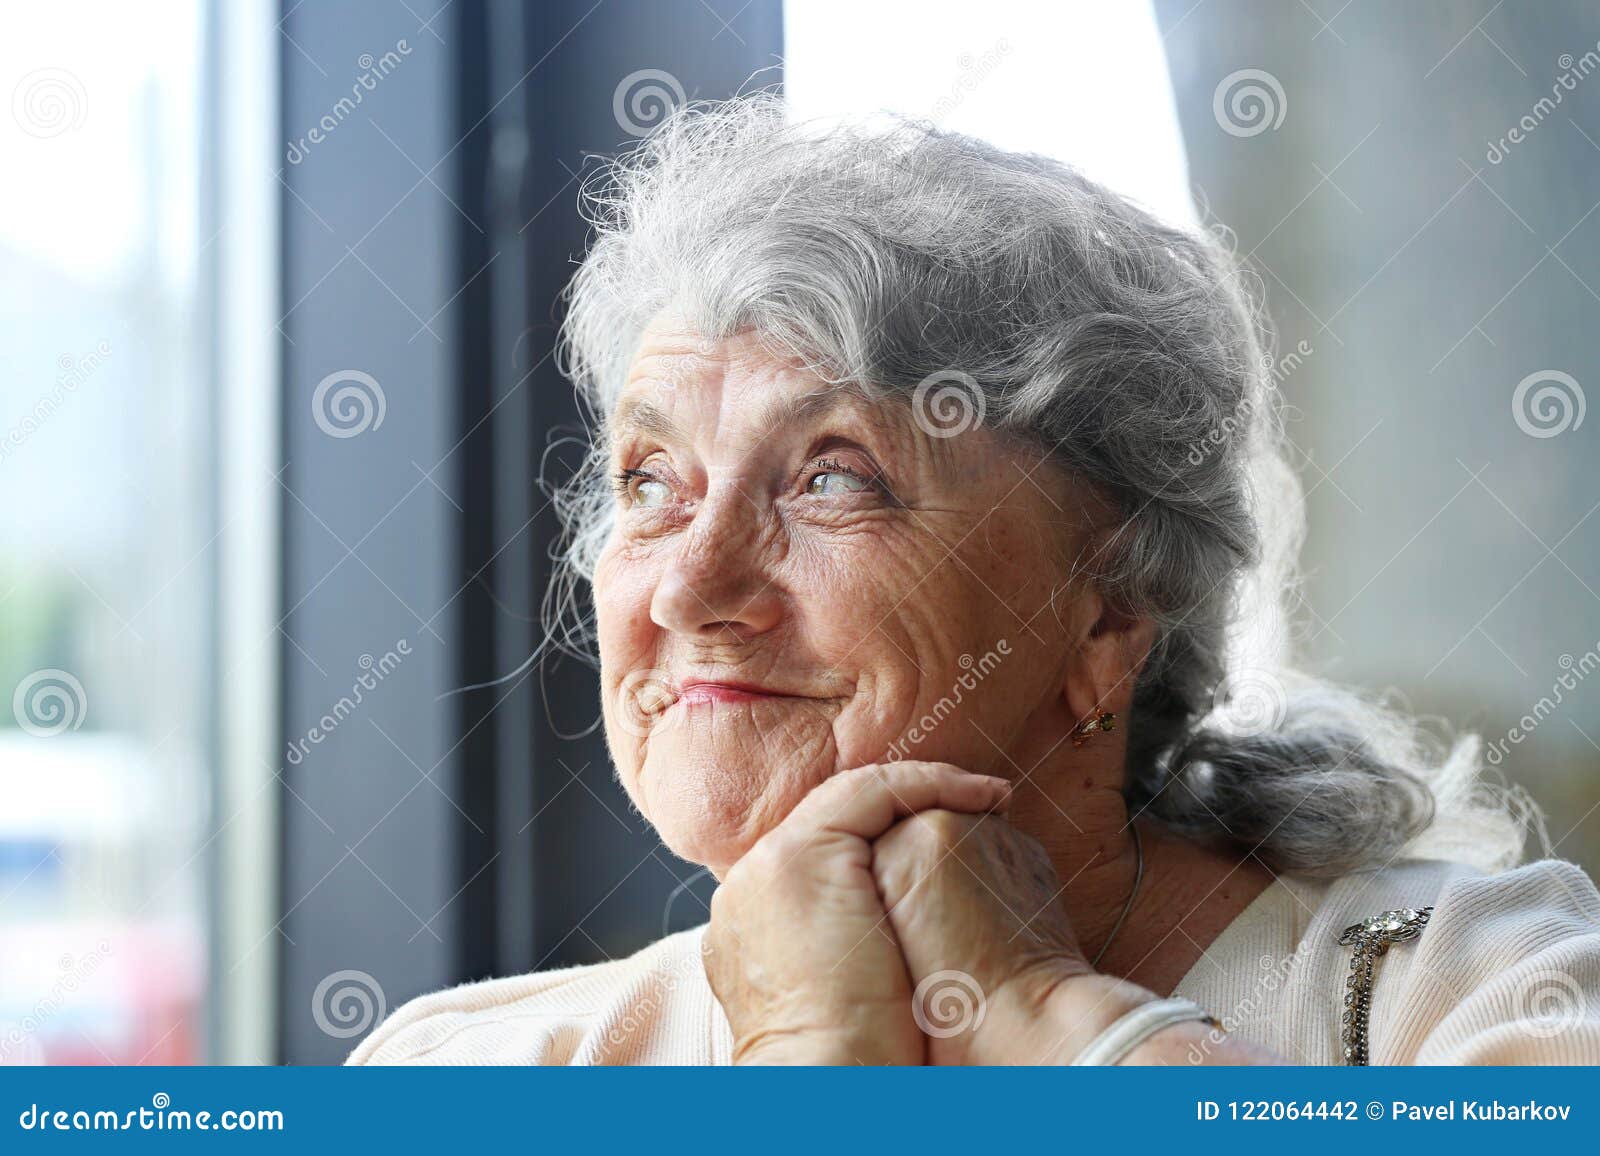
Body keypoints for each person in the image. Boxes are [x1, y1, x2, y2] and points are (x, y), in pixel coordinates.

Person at [349, 96, 1600, 1066]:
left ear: (1112, 608)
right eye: (651, 483)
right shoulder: (471, 1071)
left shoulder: (1477, 992)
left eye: (832, 477)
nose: (688, 589)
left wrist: (1045, 1012)